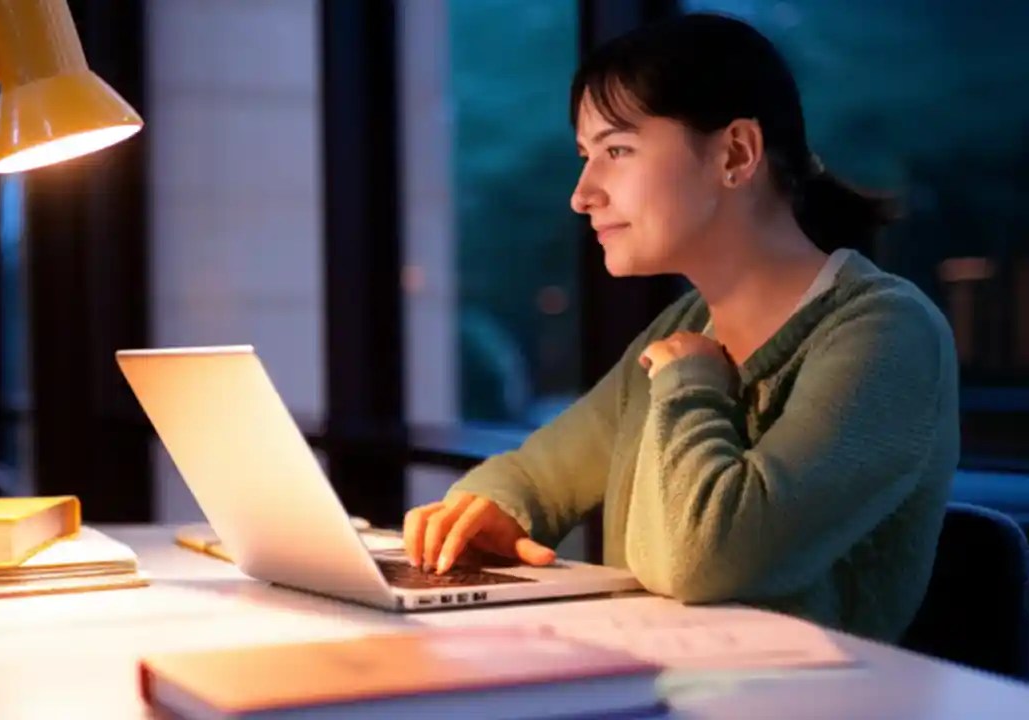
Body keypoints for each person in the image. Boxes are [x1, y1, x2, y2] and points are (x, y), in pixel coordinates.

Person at [402, 12, 959, 643]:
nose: (582, 193)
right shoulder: (685, 326)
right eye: (587, 157)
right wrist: (493, 512)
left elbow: (706, 558)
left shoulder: (884, 333)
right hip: (663, 686)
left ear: (736, 154)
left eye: (617, 151)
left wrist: (691, 382)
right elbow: (533, 474)